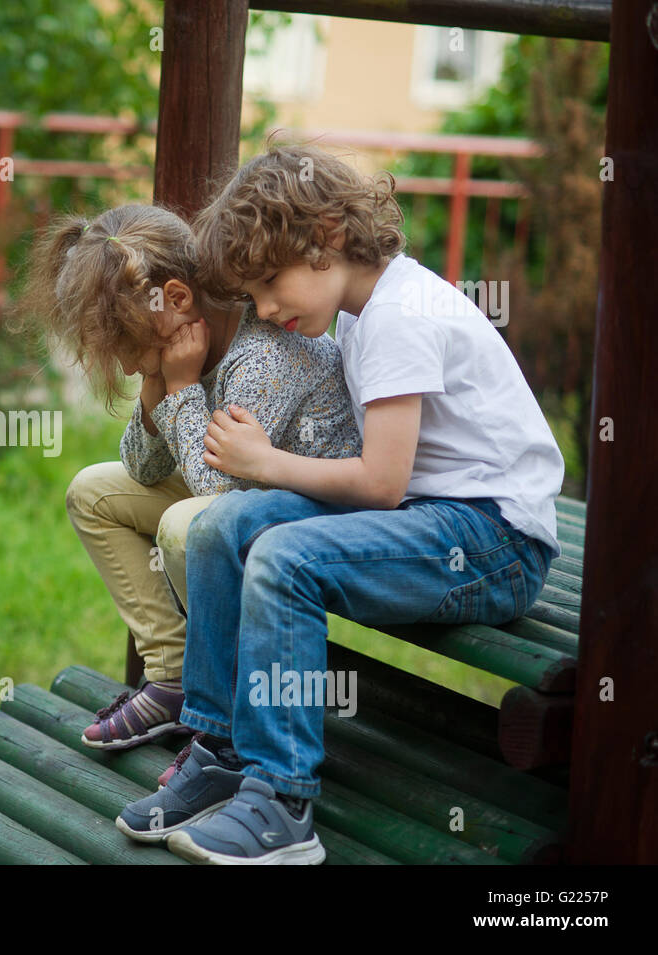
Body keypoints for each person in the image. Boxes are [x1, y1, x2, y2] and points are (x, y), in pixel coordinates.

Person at [117, 145, 564, 863]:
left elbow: (381, 483)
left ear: (325, 235)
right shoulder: (362, 314)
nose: (263, 309)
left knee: (285, 558)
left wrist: (264, 462)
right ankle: (222, 746)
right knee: (224, 526)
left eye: (269, 283)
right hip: (428, 516)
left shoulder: (398, 316)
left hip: (494, 541)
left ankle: (281, 801)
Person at [15, 203, 360, 764]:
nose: (128, 369)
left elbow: (217, 504)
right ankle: (174, 678)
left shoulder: (263, 356)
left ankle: (221, 709)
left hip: (311, 514)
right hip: (243, 500)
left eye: (130, 349)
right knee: (92, 492)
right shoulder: (184, 347)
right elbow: (145, 469)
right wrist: (159, 394)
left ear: (175, 299)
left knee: (185, 523)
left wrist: (178, 390)